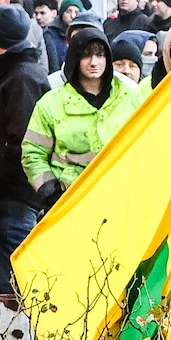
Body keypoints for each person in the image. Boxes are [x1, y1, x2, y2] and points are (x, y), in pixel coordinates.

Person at [22, 21, 144, 207]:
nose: (94, 62)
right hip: (69, 202)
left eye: (100, 55)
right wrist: (50, 191)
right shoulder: (51, 103)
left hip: (120, 200)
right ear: (74, 59)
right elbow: (33, 153)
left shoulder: (131, 98)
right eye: (86, 56)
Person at [0, 4, 52, 295]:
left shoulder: (23, 77)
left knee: (11, 290)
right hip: (5, 196)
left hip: (14, 198)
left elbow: (22, 142)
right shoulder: (15, 72)